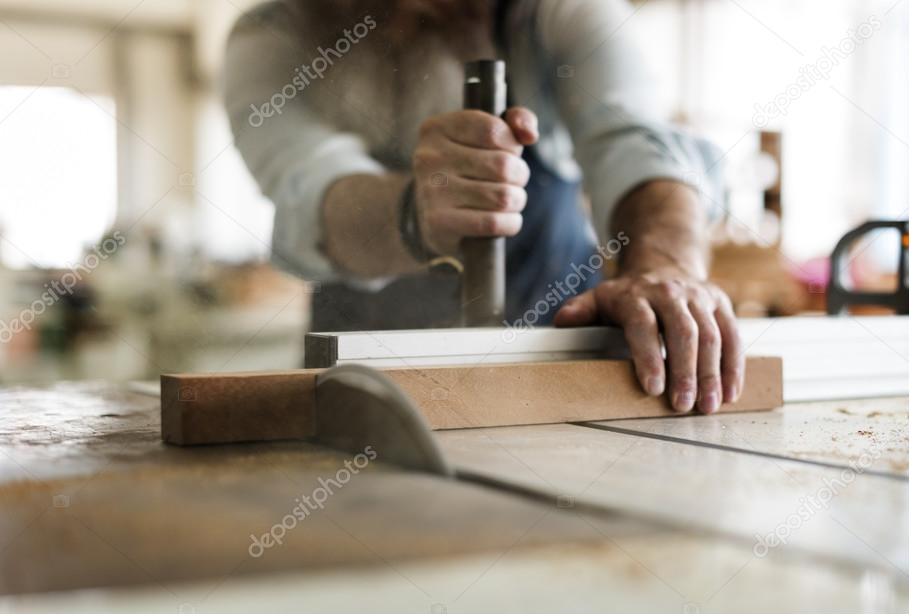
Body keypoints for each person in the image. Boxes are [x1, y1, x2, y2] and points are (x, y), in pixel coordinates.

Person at [224, 0, 744, 414]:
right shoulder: (272, 37)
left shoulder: (556, 14)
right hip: (365, 402)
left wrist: (664, 265)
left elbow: (634, 141)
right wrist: (413, 214)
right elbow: (309, 190)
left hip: (559, 396)